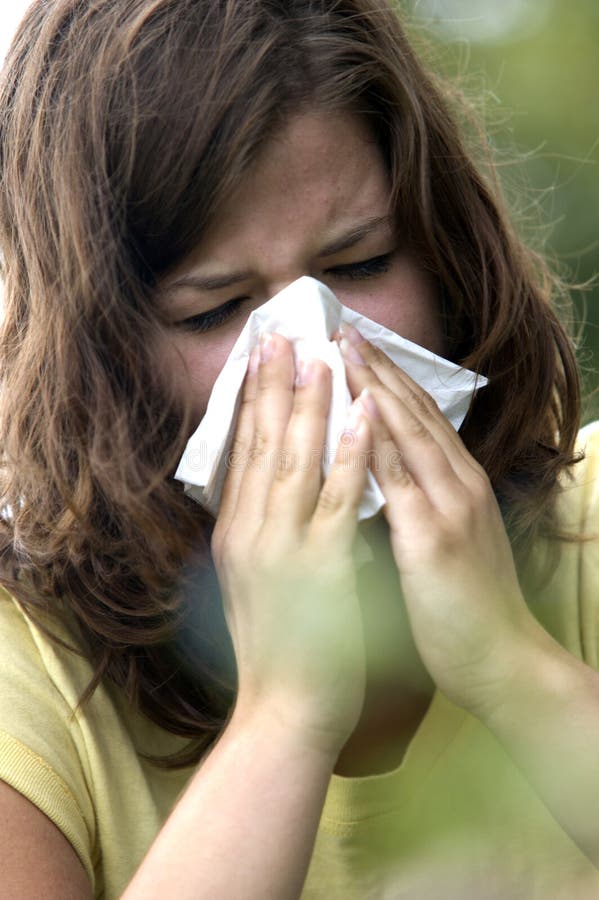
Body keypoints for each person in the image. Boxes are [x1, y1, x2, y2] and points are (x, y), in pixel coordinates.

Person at [0, 0, 597, 897]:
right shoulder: (27, 675)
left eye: (359, 263)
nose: (314, 356)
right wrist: (284, 717)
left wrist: (511, 666)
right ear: (101, 356)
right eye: (213, 308)